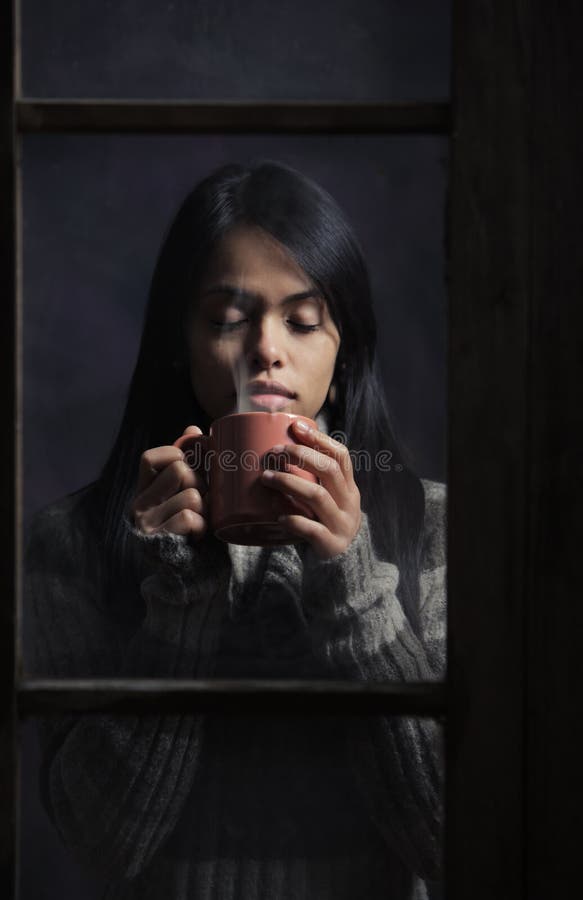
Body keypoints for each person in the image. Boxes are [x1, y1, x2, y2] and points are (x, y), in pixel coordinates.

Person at [25, 160, 446, 900]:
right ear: (177, 344)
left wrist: (353, 583)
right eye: (226, 319)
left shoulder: (436, 529)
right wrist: (178, 606)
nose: (266, 350)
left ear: (343, 356)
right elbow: (101, 845)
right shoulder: (72, 542)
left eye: (303, 320)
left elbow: (453, 835)